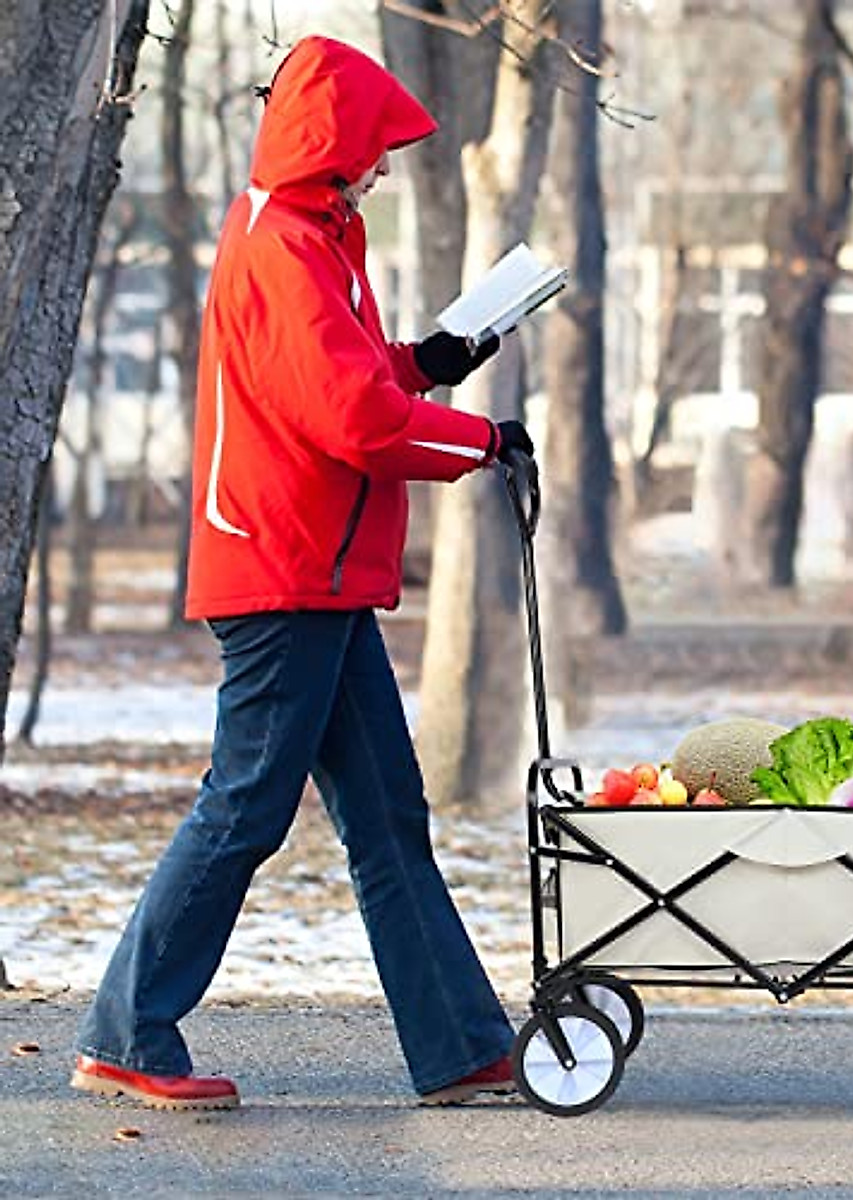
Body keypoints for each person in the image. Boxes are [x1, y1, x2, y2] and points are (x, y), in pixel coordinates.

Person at [71, 35, 534, 1111]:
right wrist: (478, 441)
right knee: (245, 808)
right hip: (283, 574)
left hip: (314, 576)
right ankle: (126, 1030)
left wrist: (437, 359)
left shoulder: (310, 240)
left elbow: (359, 379)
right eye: (373, 152)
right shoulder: (283, 245)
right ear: (333, 148)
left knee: (385, 817)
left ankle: (461, 1046)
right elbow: (353, 420)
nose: (380, 170)